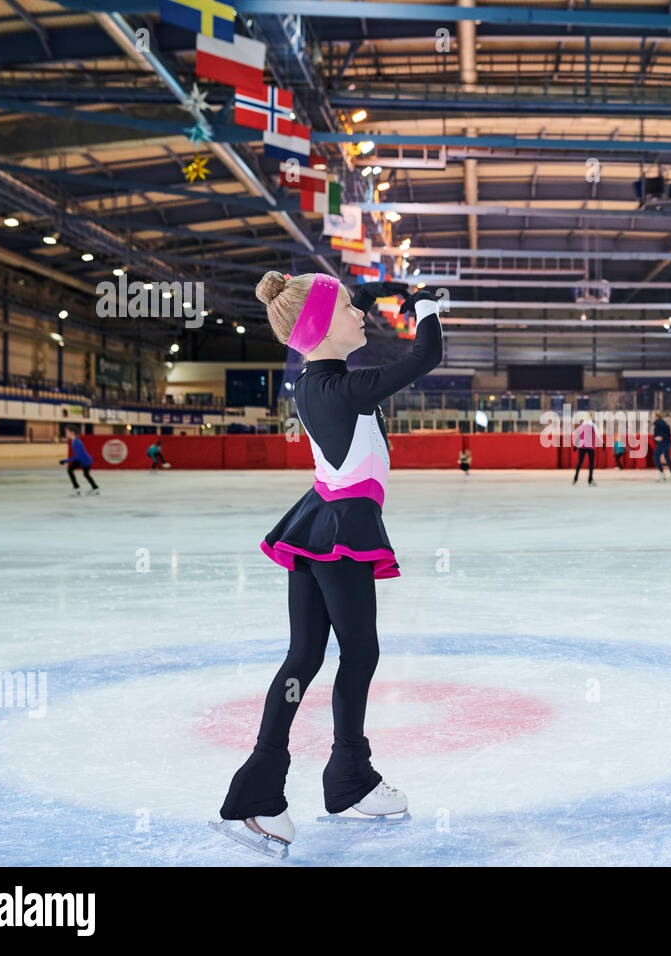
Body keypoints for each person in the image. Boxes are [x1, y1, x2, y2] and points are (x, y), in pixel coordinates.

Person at [212, 274, 442, 859]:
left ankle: (272, 789)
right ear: (320, 327)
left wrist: (365, 290)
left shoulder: (317, 378)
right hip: (340, 530)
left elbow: (335, 320)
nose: (360, 316)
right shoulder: (346, 389)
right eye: (348, 309)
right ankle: (347, 778)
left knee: (306, 657)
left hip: (319, 521)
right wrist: (423, 304)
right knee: (359, 653)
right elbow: (427, 353)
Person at [59, 428, 98, 496]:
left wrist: (65, 461)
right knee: (73, 471)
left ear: (72, 432)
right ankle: (80, 488)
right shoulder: (74, 441)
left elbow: (77, 456)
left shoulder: (77, 442)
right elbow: (77, 456)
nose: (66, 434)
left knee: (84, 474)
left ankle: (81, 489)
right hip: (81, 460)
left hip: (85, 461)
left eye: (67, 432)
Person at [572, 413, 597, 485]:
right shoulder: (592, 425)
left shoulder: (582, 426)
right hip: (590, 447)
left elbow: (579, 436)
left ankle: (575, 478)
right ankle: (590, 479)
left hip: (582, 446)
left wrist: (576, 445)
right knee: (591, 464)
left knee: (579, 463)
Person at [652, 413, 671, 481]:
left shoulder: (658, 423)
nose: (652, 419)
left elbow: (658, 436)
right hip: (668, 442)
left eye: (653, 417)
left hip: (663, 442)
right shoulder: (664, 423)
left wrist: (656, 438)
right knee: (667, 458)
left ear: (656, 417)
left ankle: (662, 473)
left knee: (656, 457)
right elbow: (668, 433)